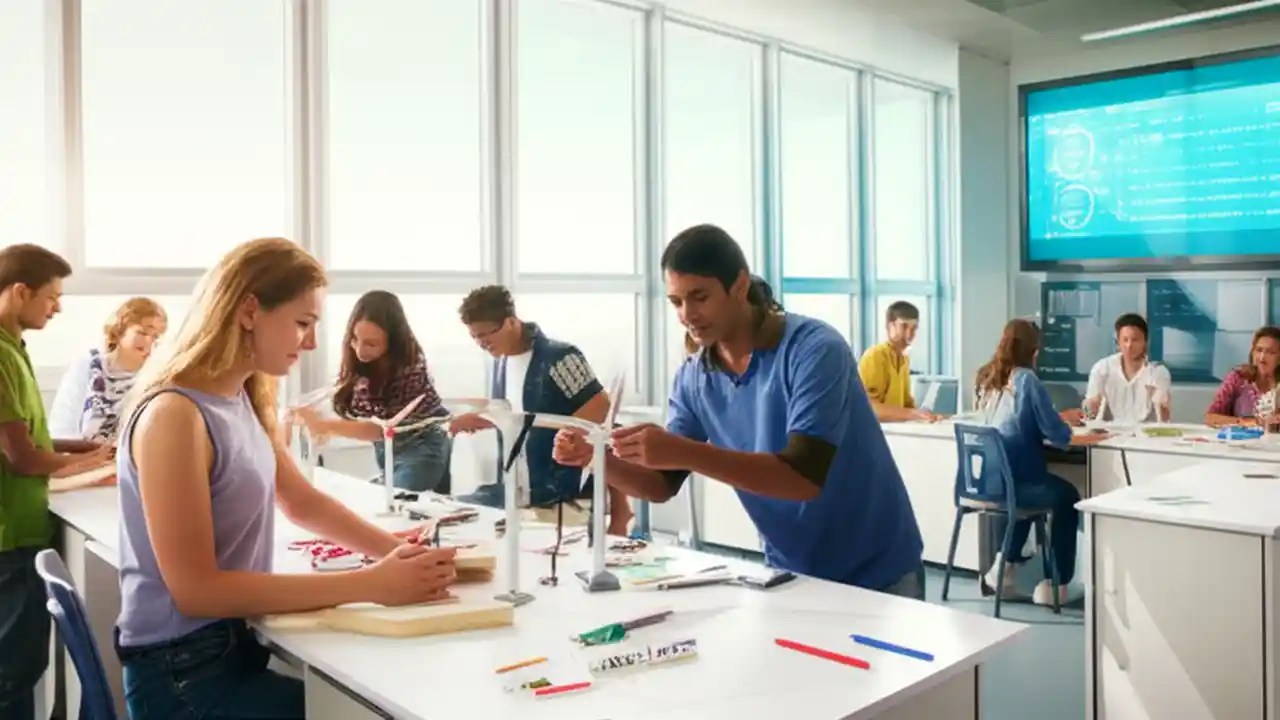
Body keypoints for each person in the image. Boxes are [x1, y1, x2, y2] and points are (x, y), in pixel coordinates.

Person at [114, 238, 456, 720]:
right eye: (302, 323)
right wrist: (371, 584)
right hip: (183, 677)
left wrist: (397, 555)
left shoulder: (240, 397)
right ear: (249, 311)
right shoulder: (174, 414)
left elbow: (300, 501)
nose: (311, 343)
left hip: (226, 652)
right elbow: (196, 590)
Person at [553, 224, 925, 597]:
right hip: (790, 570)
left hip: (879, 571)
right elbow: (662, 484)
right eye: (677, 302)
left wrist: (682, 451)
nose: (687, 314)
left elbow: (803, 477)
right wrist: (596, 457)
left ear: (740, 286)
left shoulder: (815, 350)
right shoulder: (694, 377)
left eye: (700, 297)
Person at [0, 244, 112, 719]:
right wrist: (88, 466)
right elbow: (22, 458)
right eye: (52, 297)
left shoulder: (13, 348)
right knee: (13, 673)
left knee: (20, 668)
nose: (58, 308)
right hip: (9, 537)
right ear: (20, 292)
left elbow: (29, 434)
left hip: (19, 530)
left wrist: (82, 448)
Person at [450, 285, 633, 536]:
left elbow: (601, 410)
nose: (482, 344)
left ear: (511, 322)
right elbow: (519, 415)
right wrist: (486, 419)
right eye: (475, 337)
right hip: (517, 487)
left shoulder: (560, 358)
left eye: (486, 335)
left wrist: (565, 436)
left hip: (556, 490)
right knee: (451, 515)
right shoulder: (501, 363)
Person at [973, 318, 1093, 606]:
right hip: (1017, 483)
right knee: (1066, 496)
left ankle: (1002, 571)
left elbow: (1009, 419)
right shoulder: (1027, 379)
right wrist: (1080, 432)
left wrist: (1055, 417)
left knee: (1027, 499)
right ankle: (1057, 585)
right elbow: (1057, 434)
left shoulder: (986, 377)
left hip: (987, 482)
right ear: (1034, 350)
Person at [291, 290, 452, 493]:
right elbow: (345, 400)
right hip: (389, 452)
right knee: (375, 499)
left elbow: (382, 429)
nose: (360, 350)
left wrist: (325, 426)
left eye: (371, 343)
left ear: (393, 342)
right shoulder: (365, 367)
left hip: (422, 448)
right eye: (355, 339)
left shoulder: (410, 369)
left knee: (395, 502)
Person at [49, 296, 168, 443]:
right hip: (79, 453)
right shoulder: (89, 365)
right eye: (142, 333)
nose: (149, 341)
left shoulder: (156, 378)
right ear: (120, 330)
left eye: (156, 336)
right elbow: (62, 423)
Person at [1082, 313, 1171, 425]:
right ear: (1118, 342)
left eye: (1135, 340)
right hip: (1108, 431)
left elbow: (1165, 419)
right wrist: (1089, 409)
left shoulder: (1158, 372)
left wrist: (1162, 406)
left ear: (1145, 342)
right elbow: (1087, 410)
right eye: (1125, 340)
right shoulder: (1102, 368)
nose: (1129, 345)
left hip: (1145, 433)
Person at [858, 300, 937, 423]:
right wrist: (914, 414)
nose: (909, 334)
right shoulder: (875, 356)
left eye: (914, 328)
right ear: (890, 326)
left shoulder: (904, 359)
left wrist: (928, 416)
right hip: (876, 431)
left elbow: (907, 405)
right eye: (904, 326)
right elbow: (868, 408)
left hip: (896, 430)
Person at [1205, 326, 1280, 427]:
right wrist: (1250, 422)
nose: (1262, 357)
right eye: (1259, 350)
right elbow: (1211, 417)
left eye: (1271, 352)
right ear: (1252, 352)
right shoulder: (1238, 377)